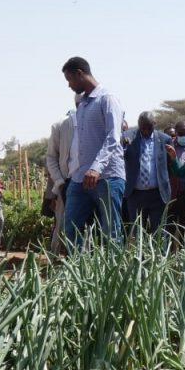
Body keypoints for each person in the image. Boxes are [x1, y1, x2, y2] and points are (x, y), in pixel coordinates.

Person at [62, 56, 126, 247]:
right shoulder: (82, 105)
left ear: (79, 74)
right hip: (80, 177)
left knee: (110, 232)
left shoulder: (107, 99)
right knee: (70, 227)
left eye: (69, 79)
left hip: (107, 177)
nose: (69, 85)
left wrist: (96, 167)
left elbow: (113, 137)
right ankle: (82, 264)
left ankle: (113, 266)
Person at [123, 111, 174, 236]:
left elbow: (170, 166)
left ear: (155, 124)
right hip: (135, 195)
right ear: (138, 124)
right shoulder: (128, 137)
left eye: (149, 127)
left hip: (158, 195)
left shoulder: (165, 139)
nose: (146, 130)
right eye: (143, 127)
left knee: (159, 234)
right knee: (136, 234)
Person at [45, 94, 81, 254]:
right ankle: (53, 260)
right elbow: (51, 158)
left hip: (92, 182)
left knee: (86, 227)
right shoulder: (60, 126)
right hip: (68, 182)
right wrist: (59, 183)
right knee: (62, 224)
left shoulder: (98, 123)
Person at [167, 120, 185, 240]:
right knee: (170, 230)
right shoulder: (169, 146)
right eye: (181, 133)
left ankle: (184, 251)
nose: (184, 136)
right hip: (172, 195)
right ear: (176, 132)